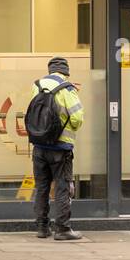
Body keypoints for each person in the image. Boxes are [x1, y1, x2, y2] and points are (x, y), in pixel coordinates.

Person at [31, 57, 85, 241]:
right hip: (60, 148)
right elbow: (77, 117)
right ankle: (62, 228)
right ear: (66, 71)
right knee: (62, 187)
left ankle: (42, 227)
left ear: (50, 70)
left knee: (41, 187)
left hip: (39, 146)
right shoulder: (67, 88)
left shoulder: (37, 85)